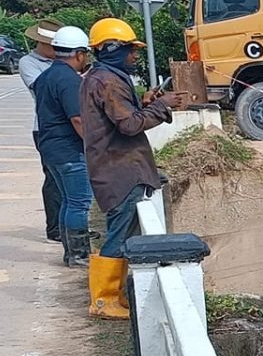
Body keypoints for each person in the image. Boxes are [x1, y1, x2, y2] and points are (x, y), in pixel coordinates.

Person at [79, 17, 184, 319]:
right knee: (119, 234)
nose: (135, 56)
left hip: (117, 166)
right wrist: (161, 105)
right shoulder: (108, 81)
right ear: (113, 49)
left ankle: (113, 295)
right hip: (119, 169)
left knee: (122, 232)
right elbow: (129, 124)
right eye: (131, 50)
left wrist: (145, 101)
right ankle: (103, 300)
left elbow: (121, 113)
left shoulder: (103, 77)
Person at [31, 26, 96, 267]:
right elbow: (78, 119)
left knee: (68, 200)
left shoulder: (45, 77)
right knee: (79, 202)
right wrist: (94, 145)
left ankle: (71, 253)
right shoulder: (69, 80)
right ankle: (78, 254)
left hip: (50, 147)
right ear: (79, 54)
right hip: (69, 150)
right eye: (85, 55)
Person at [20, 19, 63, 241]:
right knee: (54, 178)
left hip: (69, 126)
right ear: (41, 44)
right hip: (45, 128)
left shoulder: (63, 61)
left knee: (73, 180)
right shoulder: (28, 63)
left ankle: (71, 228)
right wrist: (63, 68)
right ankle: (54, 228)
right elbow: (43, 89)